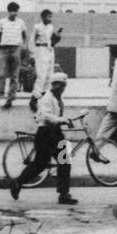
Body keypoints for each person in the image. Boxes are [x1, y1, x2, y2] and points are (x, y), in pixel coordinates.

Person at [9, 72, 78, 205]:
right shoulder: (47, 98)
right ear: (56, 85)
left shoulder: (56, 98)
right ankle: (18, 182)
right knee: (40, 164)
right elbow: (47, 116)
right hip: (46, 133)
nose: (62, 88)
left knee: (64, 162)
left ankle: (64, 194)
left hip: (55, 133)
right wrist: (63, 120)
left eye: (63, 86)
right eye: (61, 85)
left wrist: (62, 121)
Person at [0, 2, 25, 109]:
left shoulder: (21, 22)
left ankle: (10, 99)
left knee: (14, 76)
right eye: (12, 11)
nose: (14, 13)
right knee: (0, 75)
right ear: (8, 11)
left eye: (16, 11)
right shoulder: (2, 22)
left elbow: (24, 36)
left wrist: (23, 47)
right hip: (4, 49)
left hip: (16, 49)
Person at [29, 9, 62, 109]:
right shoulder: (37, 27)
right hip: (41, 49)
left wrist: (57, 37)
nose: (50, 19)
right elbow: (31, 41)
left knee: (49, 75)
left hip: (50, 50)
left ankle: (43, 96)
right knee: (41, 75)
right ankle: (34, 97)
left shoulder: (51, 27)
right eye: (48, 17)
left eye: (51, 17)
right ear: (43, 17)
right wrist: (32, 54)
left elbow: (53, 41)